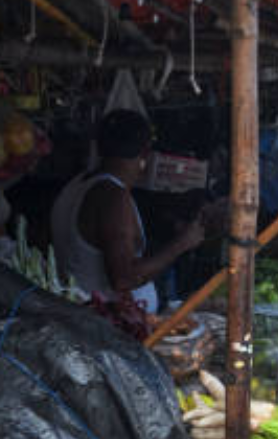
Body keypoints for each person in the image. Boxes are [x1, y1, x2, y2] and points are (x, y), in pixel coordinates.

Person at [51, 110, 203, 314]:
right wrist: (182, 244)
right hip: (108, 326)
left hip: (84, 315)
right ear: (146, 152)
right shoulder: (112, 197)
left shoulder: (77, 185)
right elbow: (124, 279)